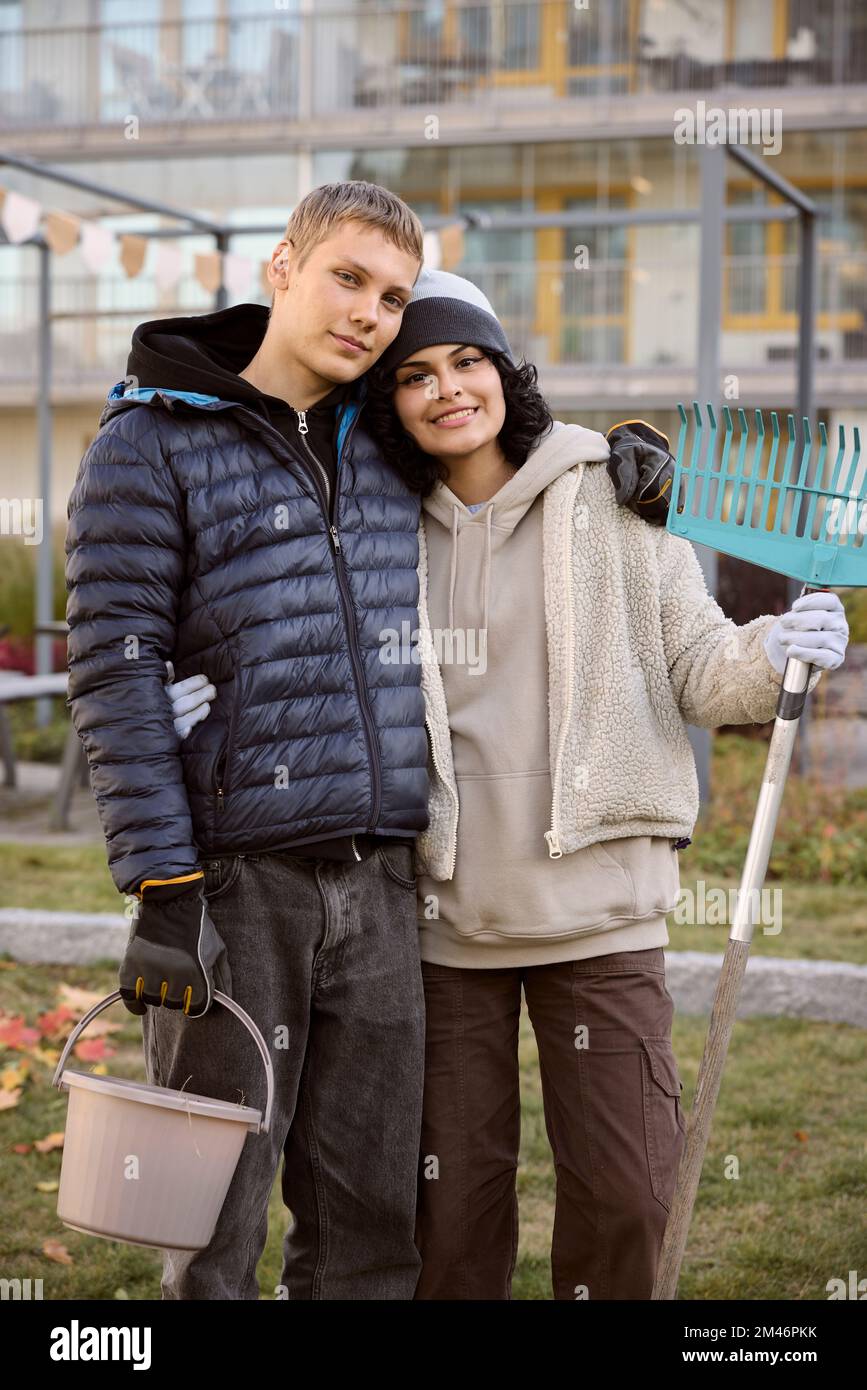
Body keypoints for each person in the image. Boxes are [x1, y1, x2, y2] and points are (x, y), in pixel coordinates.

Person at [168, 268, 850, 1300]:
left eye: (467, 361)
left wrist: (778, 647)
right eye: (416, 374)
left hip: (602, 917)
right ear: (386, 400)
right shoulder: (380, 524)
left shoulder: (617, 498)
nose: (447, 389)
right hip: (441, 930)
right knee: (449, 1206)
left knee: (627, 1195)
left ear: (503, 370)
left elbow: (704, 668)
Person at [64, 181, 431, 1301]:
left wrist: (623, 468)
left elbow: (506, 444)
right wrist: (164, 886)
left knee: (371, 1223)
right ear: (283, 269)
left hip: (380, 879)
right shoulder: (149, 440)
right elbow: (114, 672)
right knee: (212, 1226)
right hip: (234, 883)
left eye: (394, 298)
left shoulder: (394, 442)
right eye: (348, 278)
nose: (370, 313)